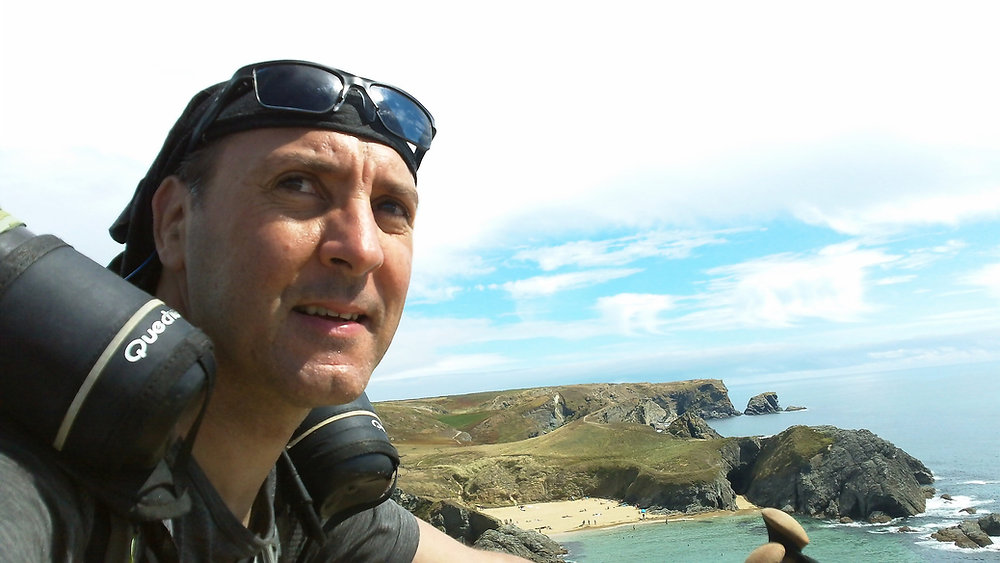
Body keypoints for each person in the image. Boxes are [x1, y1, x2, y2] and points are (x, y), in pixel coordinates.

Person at [0, 60, 529, 562]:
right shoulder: (35, 493)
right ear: (175, 225)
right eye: (297, 185)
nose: (362, 246)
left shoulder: (299, 500)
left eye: (391, 207)